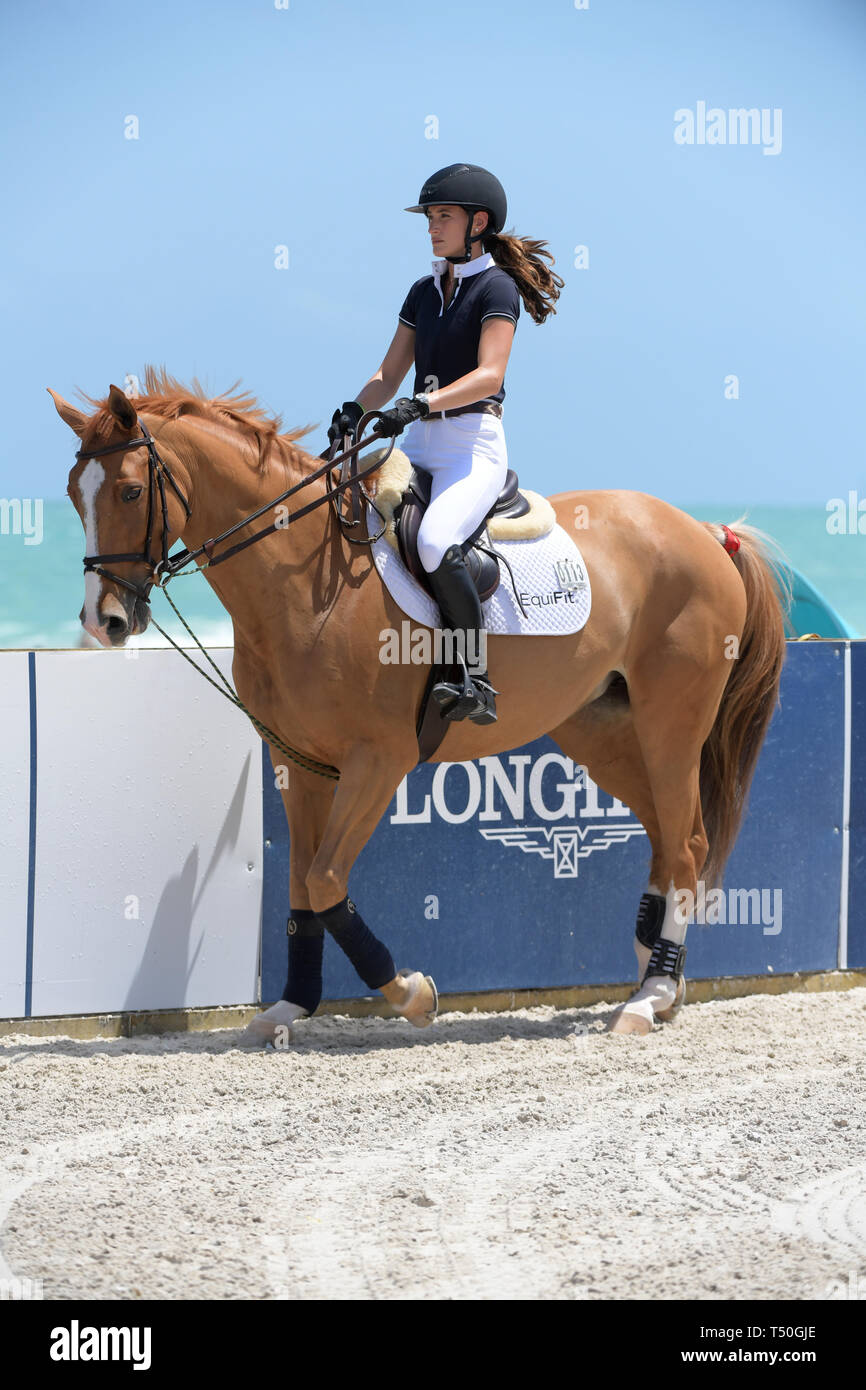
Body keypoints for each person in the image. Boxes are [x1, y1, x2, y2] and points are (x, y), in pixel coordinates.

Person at [329, 163, 563, 724]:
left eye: (443, 216)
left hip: (472, 448)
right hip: (422, 447)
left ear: (477, 222)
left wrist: (421, 404)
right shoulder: (422, 291)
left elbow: (489, 374)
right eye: (430, 217)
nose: (433, 227)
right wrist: (354, 411)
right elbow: (389, 374)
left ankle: (473, 678)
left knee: (435, 541)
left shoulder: (496, 287)